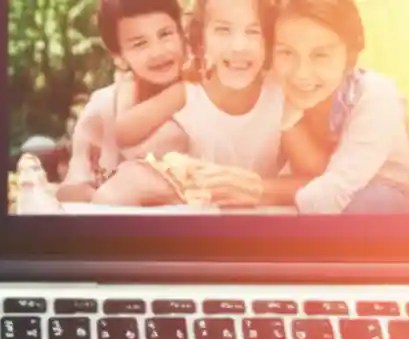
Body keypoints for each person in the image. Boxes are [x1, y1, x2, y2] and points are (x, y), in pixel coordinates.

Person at [93, 0, 287, 208]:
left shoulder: (278, 95)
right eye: (223, 30)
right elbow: (125, 132)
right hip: (199, 212)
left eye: (253, 31)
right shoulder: (187, 92)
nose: (239, 46)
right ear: (200, 41)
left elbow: (308, 174)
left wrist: (256, 187)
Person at [272, 0, 409, 214]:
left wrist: (259, 190)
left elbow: (335, 193)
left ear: (349, 55)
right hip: (334, 191)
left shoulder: (377, 96)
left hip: (394, 203)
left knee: (363, 202)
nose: (300, 73)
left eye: (320, 55)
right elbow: (316, 173)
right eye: (286, 52)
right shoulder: (279, 91)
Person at [56, 0, 189, 203]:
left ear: (182, 35)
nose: (158, 52)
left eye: (165, 34)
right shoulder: (102, 109)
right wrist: (103, 195)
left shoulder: (205, 99)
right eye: (140, 44)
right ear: (119, 57)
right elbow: (72, 188)